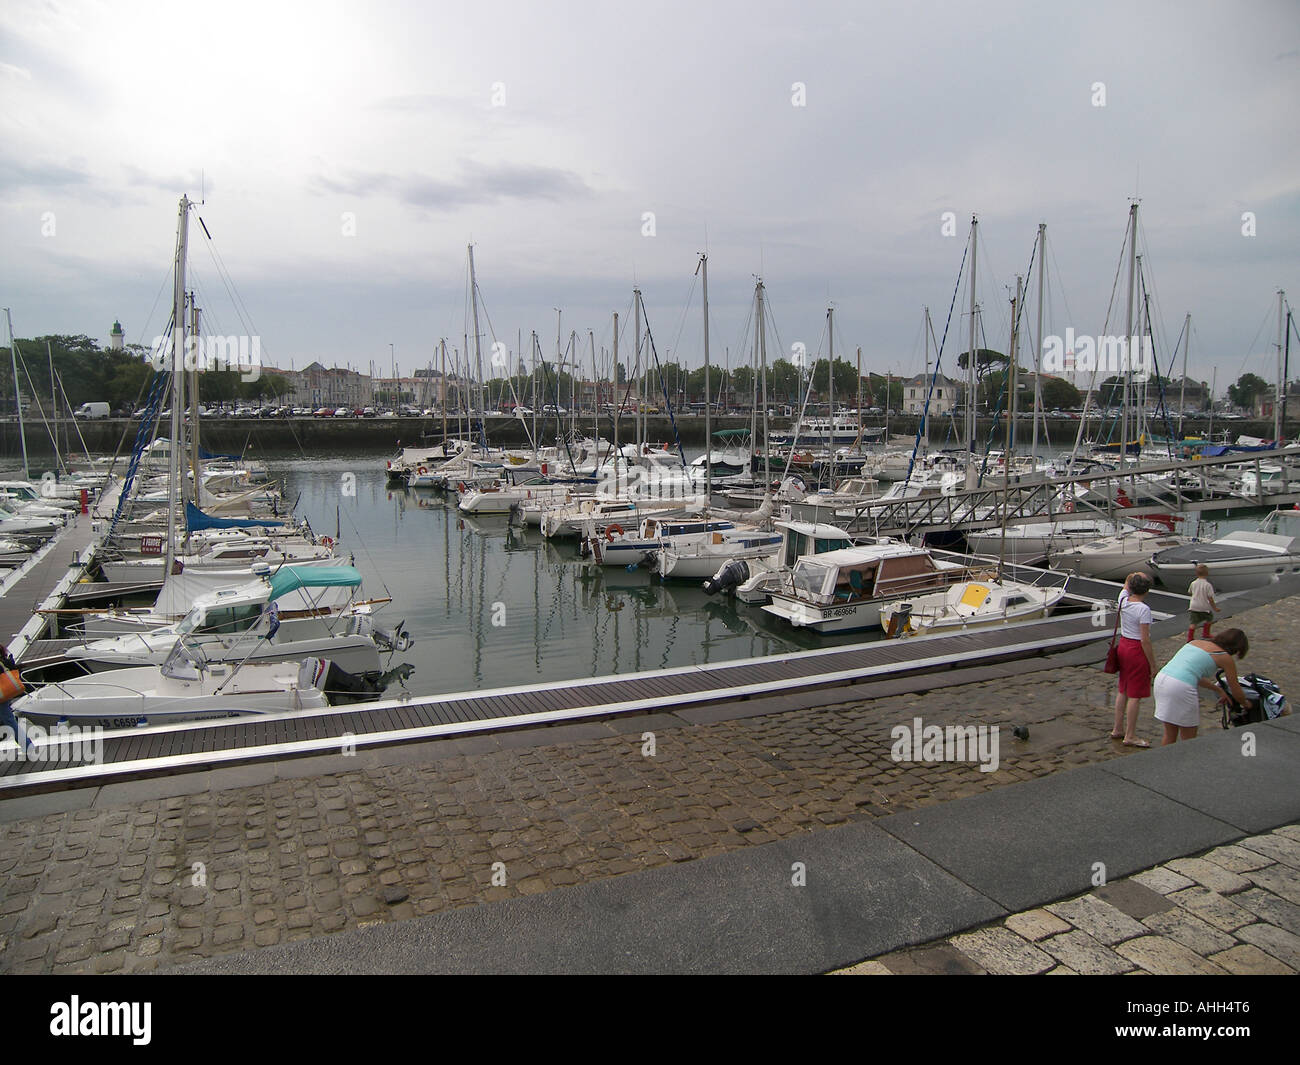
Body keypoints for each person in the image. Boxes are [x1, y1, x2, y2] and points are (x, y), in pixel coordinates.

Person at [1154, 628, 1250, 745]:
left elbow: (1191, 674)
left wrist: (1218, 690)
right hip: (1181, 687)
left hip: (1162, 679)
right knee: (1188, 736)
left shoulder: (1195, 643)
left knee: (1170, 733)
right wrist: (1245, 703)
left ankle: (1164, 761)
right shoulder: (1224, 657)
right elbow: (1235, 688)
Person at [1112, 572, 1157, 747]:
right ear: (1146, 590)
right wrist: (1153, 664)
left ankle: (1117, 728)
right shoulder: (1143, 609)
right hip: (1136, 649)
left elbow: (1125, 584)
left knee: (1123, 689)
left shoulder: (1123, 600)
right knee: (1135, 695)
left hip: (1123, 645)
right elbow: (1145, 640)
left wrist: (1132, 575)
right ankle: (1130, 735)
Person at [1186, 563, 1221, 641]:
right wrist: (1215, 608)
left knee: (1193, 623)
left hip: (1194, 606)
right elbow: (1210, 598)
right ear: (1207, 573)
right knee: (1209, 619)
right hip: (1204, 606)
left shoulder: (1193, 583)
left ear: (1196, 573)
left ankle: (1190, 638)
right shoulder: (1207, 585)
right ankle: (1206, 634)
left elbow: (1190, 592)